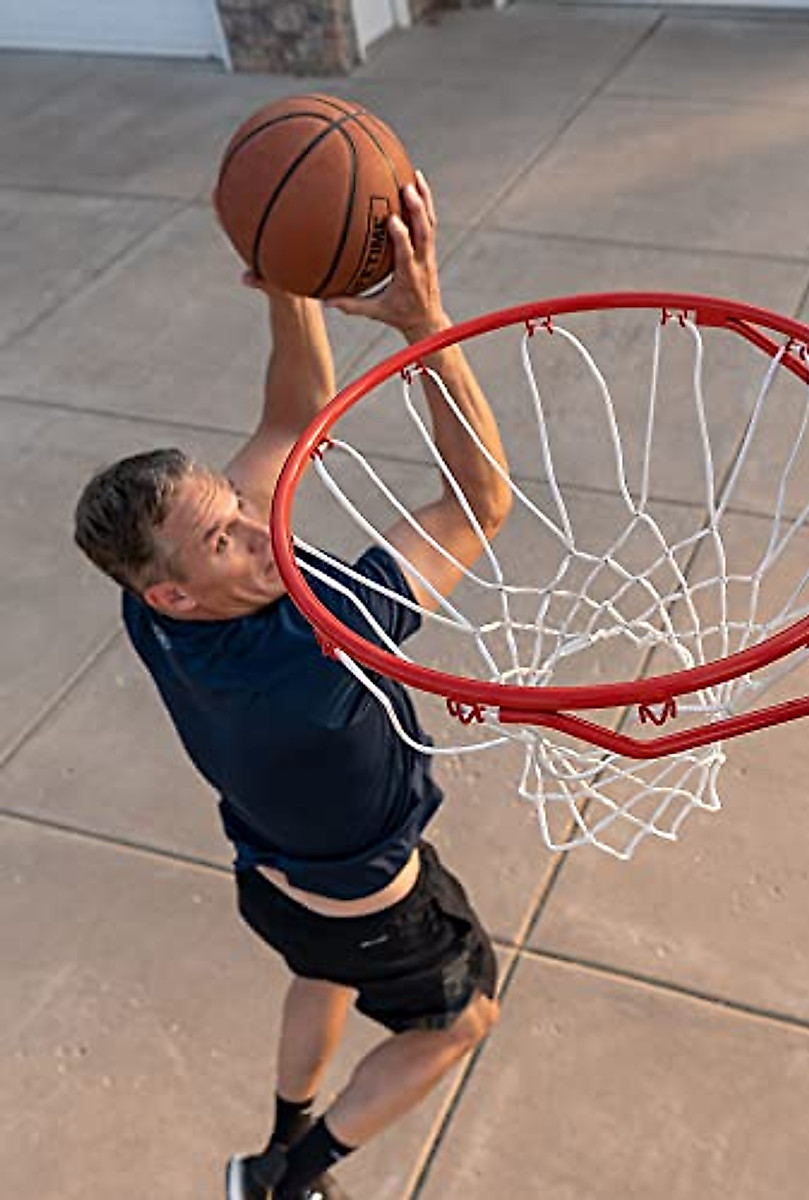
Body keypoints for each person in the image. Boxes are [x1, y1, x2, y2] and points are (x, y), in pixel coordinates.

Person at [73, 173, 510, 1200]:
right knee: (462, 1020)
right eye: (228, 533)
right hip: (375, 904)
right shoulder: (321, 638)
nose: (261, 524)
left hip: (270, 883)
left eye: (233, 500)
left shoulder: (156, 604)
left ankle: (282, 1122)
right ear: (179, 592)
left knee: (316, 972)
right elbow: (482, 498)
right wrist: (423, 320)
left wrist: (288, 280)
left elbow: (295, 408)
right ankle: (289, 1177)